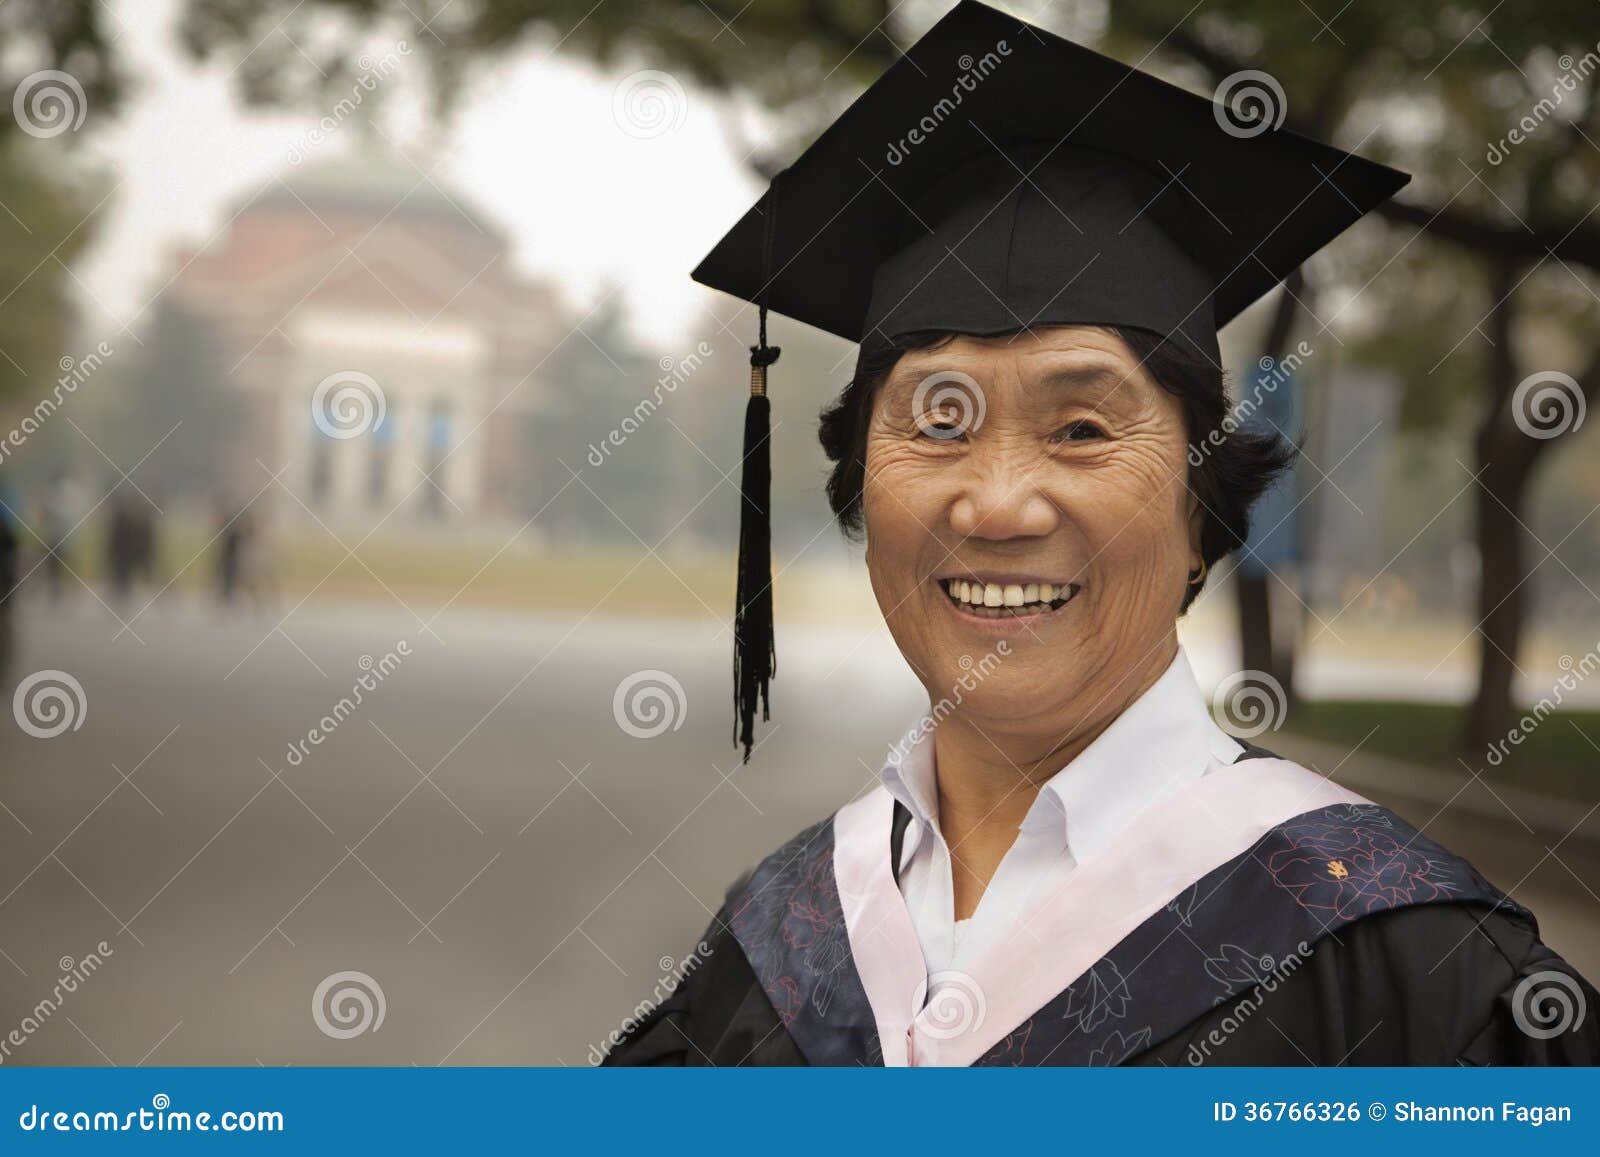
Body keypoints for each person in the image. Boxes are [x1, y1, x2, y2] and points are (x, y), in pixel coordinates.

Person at [603, 1, 1599, 1066]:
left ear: (1198, 509)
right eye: (936, 423)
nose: (995, 504)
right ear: (861, 492)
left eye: (1080, 428)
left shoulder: (1409, 972)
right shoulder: (774, 940)